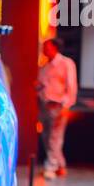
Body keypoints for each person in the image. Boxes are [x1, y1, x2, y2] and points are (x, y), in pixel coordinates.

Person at [36, 37, 77, 178]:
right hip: (44, 105)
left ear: (54, 47)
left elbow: (71, 86)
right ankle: (60, 165)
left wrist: (66, 105)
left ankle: (51, 167)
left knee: (55, 137)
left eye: (46, 47)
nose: (44, 50)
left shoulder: (66, 63)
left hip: (58, 105)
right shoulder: (44, 66)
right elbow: (41, 84)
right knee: (46, 137)